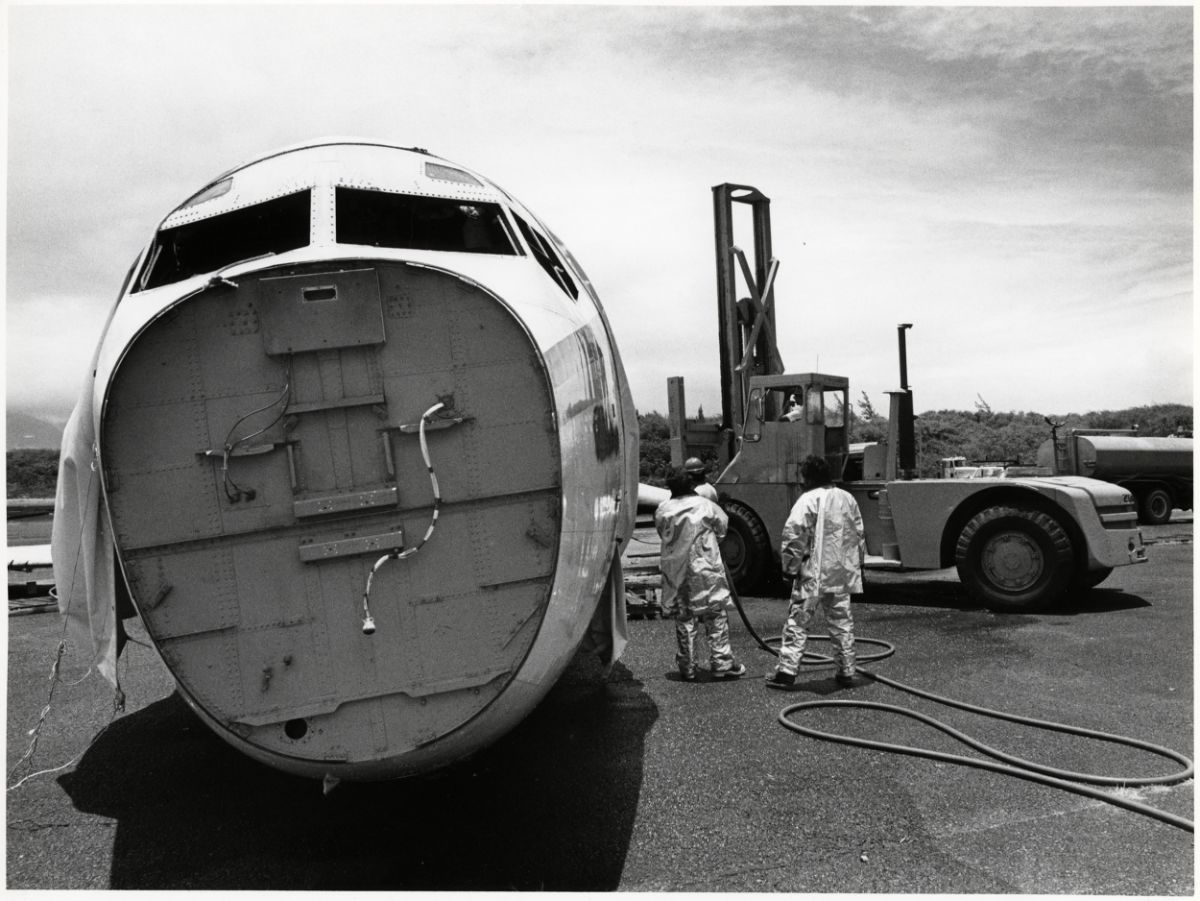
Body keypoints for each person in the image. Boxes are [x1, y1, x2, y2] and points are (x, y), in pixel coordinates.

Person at [766, 454, 866, 690]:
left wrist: (789, 568)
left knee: (798, 622)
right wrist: (857, 566)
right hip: (841, 571)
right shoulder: (847, 498)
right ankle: (847, 671)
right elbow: (858, 533)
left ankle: (787, 673)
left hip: (812, 573)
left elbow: (794, 535)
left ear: (808, 477)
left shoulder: (807, 500)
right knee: (842, 622)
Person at [655, 466, 747, 682]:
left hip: (676, 571)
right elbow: (722, 528)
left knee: (684, 617)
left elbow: (662, 532)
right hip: (706, 569)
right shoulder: (706, 505)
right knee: (715, 615)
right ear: (692, 485)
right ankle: (722, 664)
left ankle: (687, 667)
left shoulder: (662, 509)